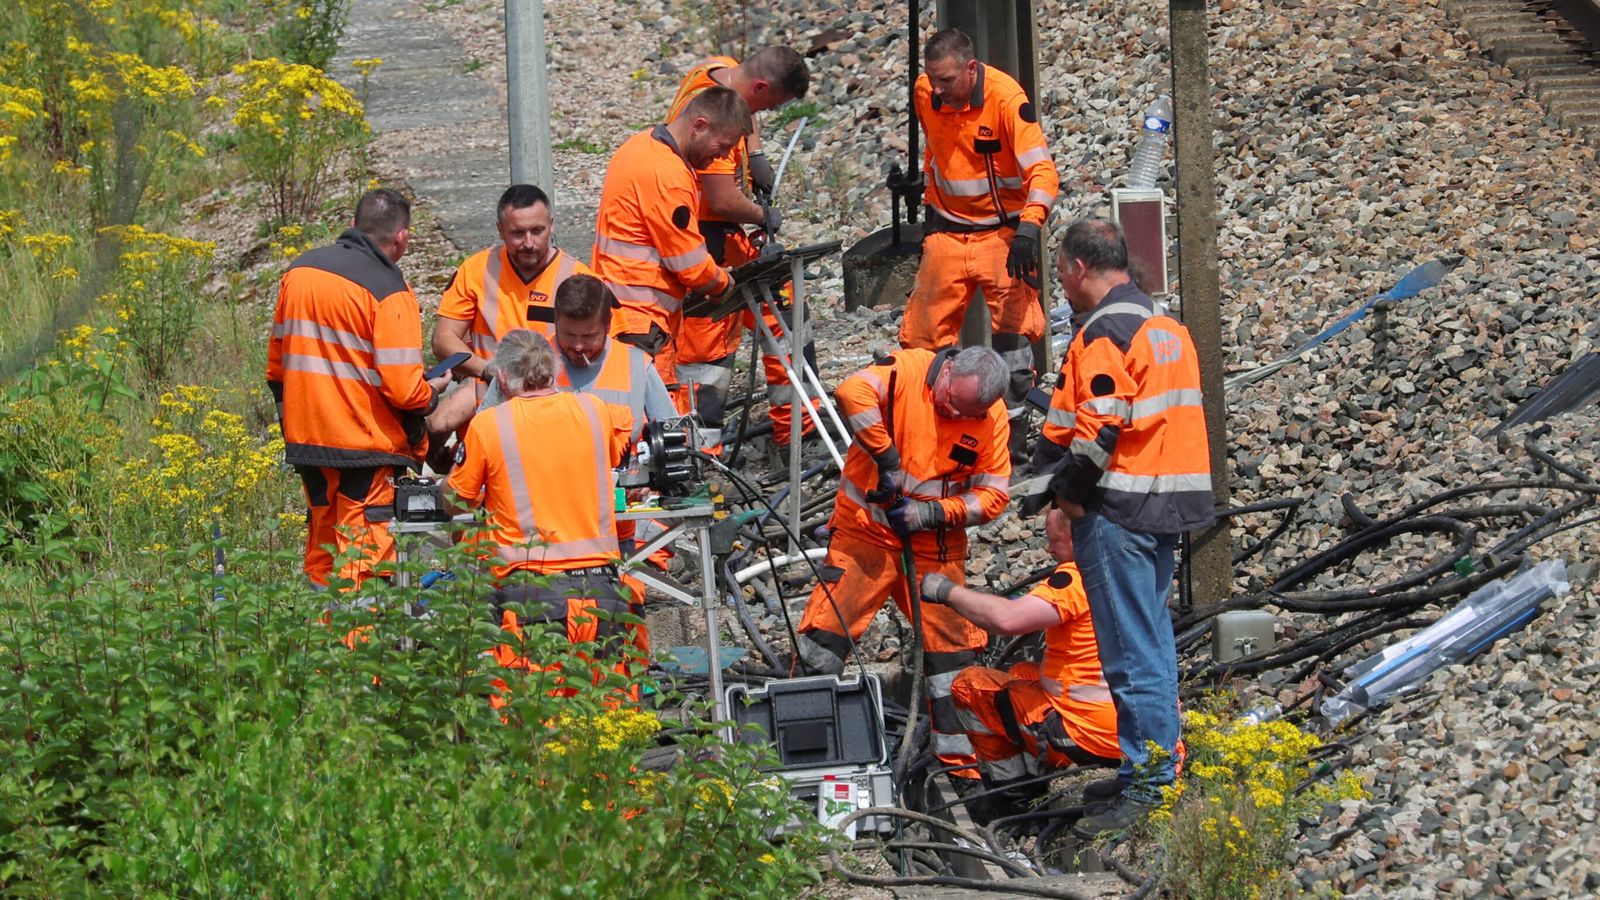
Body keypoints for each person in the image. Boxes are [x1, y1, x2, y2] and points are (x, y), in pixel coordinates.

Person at [1026, 218, 1214, 837]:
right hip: (1163, 506)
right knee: (1151, 643)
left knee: (1131, 655)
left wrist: (1070, 494)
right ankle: (1147, 772)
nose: (1059, 281)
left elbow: (1103, 421)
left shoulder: (1107, 327)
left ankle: (1153, 783)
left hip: (1119, 511)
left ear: (1080, 267)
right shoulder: (1164, 326)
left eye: (1059, 270)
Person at [795, 346, 1012, 782]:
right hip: (866, 536)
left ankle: (962, 772)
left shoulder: (991, 418)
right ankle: (802, 756)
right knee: (825, 640)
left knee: (954, 660)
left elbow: (994, 496)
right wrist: (887, 458)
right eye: (953, 401)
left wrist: (932, 513)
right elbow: (850, 392)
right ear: (948, 369)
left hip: (934, 548)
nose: (955, 414)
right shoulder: (904, 374)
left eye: (966, 411)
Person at [266, 187, 448, 589]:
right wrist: (432, 391)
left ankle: (321, 640)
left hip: (309, 445)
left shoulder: (299, 273)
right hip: (364, 452)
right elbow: (404, 392)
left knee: (323, 554)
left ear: (352, 225)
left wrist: (292, 427)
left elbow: (277, 368)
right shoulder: (390, 292)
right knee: (362, 562)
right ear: (402, 238)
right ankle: (358, 648)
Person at [442, 329, 636, 697]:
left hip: (532, 594)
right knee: (605, 715)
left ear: (501, 377)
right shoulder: (594, 410)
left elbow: (455, 501)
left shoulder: (489, 425)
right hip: (603, 589)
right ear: (555, 368)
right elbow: (620, 439)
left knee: (532, 724)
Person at [899, 28, 1058, 439]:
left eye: (948, 81)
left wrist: (1028, 227)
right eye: (933, 79)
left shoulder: (1005, 101)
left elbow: (1043, 172)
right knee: (922, 341)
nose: (939, 90)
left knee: (1014, 341)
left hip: (1000, 237)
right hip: (947, 234)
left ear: (971, 69)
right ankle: (931, 433)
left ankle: (1013, 445)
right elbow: (936, 146)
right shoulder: (925, 92)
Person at [918, 507, 1119, 822]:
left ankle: (1016, 800)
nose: (1049, 549)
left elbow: (1007, 620)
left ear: (1080, 538)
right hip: (1131, 727)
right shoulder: (1125, 571)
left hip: (1088, 737)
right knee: (1021, 674)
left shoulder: (1076, 579)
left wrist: (947, 591)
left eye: (1055, 541)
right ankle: (1033, 770)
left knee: (970, 685)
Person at [665, 47, 817, 452]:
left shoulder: (719, 72)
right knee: (706, 348)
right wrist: (763, 214)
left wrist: (755, 152)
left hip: (720, 235)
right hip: (704, 239)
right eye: (769, 104)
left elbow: (738, 85)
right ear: (761, 87)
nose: (760, 115)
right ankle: (700, 453)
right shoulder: (713, 128)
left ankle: (798, 429)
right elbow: (722, 199)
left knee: (784, 309)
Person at [591, 85, 749, 403]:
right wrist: (725, 282)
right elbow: (690, 265)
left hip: (617, 311)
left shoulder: (638, 146)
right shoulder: (670, 176)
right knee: (654, 425)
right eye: (723, 146)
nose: (722, 157)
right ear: (699, 125)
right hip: (642, 321)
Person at [429, 184, 597, 437]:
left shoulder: (578, 278)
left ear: (551, 225)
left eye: (537, 231)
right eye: (518, 233)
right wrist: (487, 370)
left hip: (554, 410)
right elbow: (443, 339)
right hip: (492, 406)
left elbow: (604, 348)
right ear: (500, 230)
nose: (528, 243)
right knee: (435, 425)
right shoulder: (477, 270)